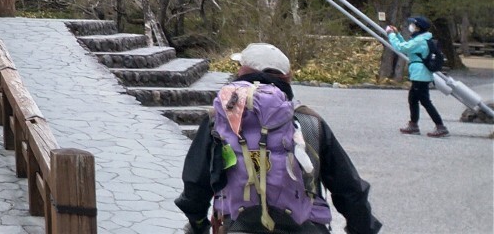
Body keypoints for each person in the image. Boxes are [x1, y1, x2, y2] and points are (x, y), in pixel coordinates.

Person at [176, 42, 380, 234]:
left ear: (243, 72)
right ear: (287, 78)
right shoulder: (309, 121)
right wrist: (361, 228)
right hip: (305, 226)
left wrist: (198, 224)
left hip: (239, 225)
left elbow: (195, 183)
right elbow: (349, 188)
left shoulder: (218, 120)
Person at [385, 15, 448, 137]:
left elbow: (401, 47)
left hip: (420, 74)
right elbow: (408, 47)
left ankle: (440, 126)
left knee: (425, 101)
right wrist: (397, 34)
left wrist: (391, 34)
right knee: (413, 99)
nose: (411, 27)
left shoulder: (420, 41)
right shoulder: (421, 39)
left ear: (418, 27)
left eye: (413, 25)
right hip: (419, 73)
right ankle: (413, 124)